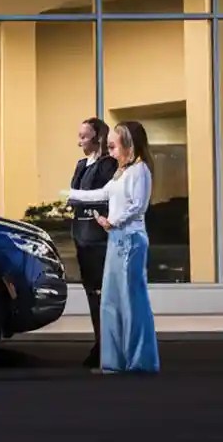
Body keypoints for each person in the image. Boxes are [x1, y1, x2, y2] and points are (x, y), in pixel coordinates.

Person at [66, 120, 160, 375]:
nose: (110, 151)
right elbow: (100, 194)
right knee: (111, 300)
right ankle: (115, 360)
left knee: (131, 300)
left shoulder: (140, 171)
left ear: (128, 144)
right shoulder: (121, 172)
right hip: (117, 239)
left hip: (130, 240)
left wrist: (112, 221)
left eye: (113, 145)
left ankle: (138, 360)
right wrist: (70, 193)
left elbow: (138, 207)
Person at [66, 117, 119, 369]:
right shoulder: (81, 165)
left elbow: (102, 198)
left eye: (84, 137)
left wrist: (81, 199)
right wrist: (81, 199)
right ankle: (100, 342)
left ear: (97, 138)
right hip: (81, 233)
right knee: (91, 291)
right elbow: (74, 198)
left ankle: (106, 344)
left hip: (98, 237)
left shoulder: (107, 165)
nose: (79, 142)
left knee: (101, 292)